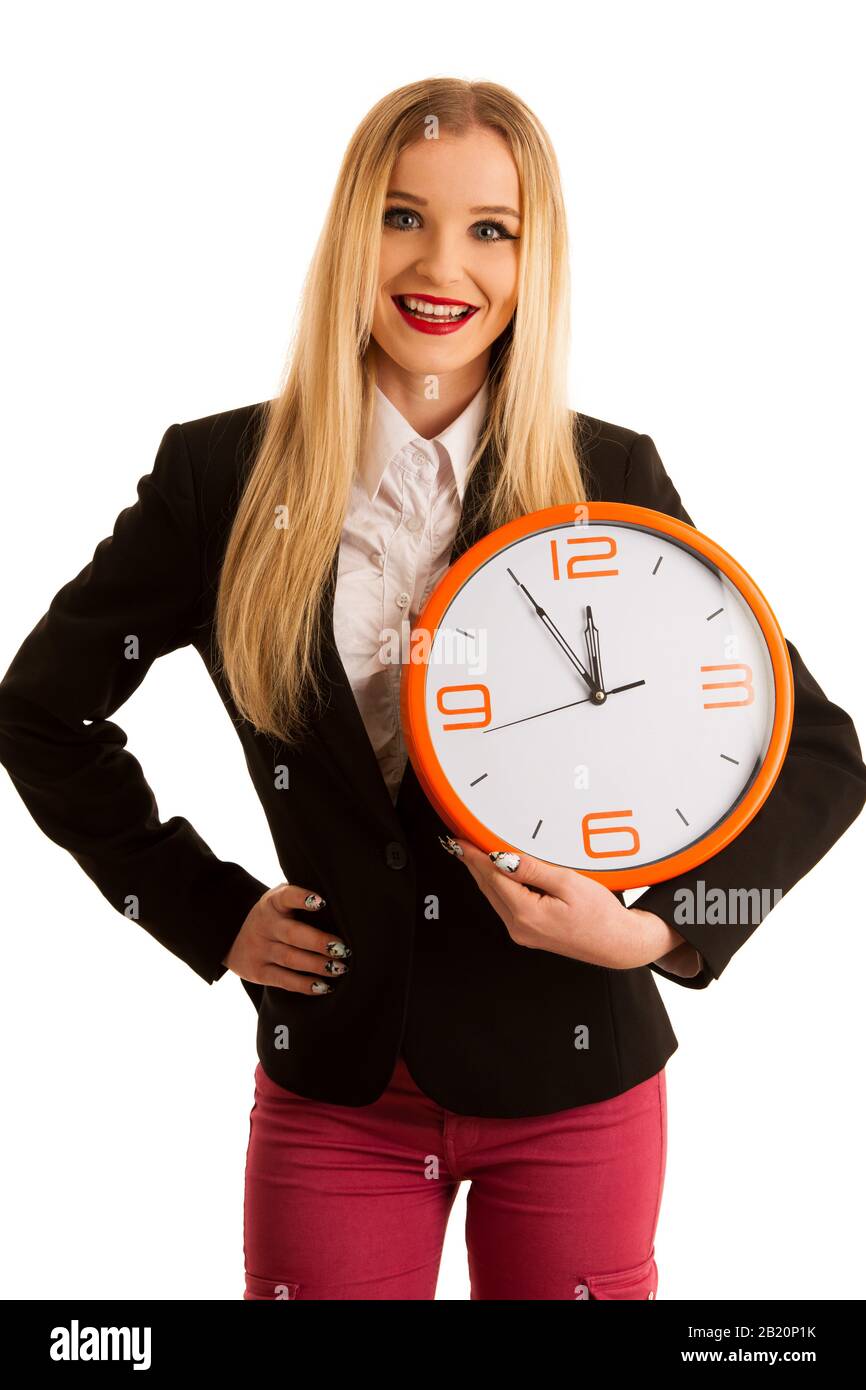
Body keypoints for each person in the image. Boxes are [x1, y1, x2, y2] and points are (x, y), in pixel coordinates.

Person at [1, 79, 864, 1302]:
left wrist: (663, 927)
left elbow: (819, 752)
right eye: (404, 217)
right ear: (354, 229)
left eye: (489, 228)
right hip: (335, 1086)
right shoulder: (220, 476)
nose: (440, 264)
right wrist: (205, 910)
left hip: (578, 1081)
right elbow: (41, 712)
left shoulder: (604, 477)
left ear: (532, 256)